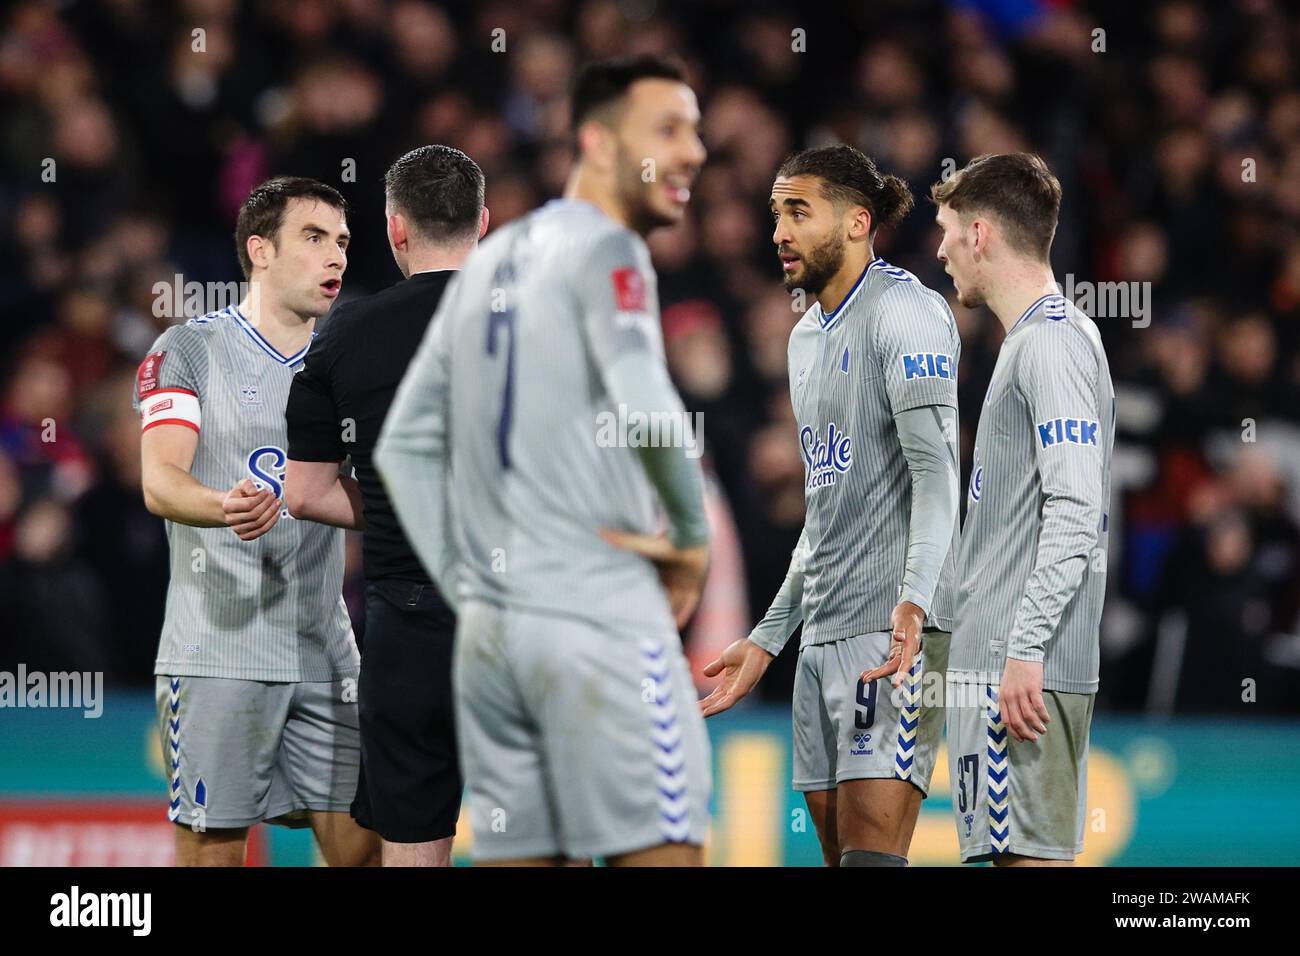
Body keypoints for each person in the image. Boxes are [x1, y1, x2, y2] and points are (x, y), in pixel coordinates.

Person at [375, 55, 712, 866]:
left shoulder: (492, 260)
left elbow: (402, 444)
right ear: (598, 143)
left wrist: (466, 579)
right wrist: (692, 542)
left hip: (494, 640)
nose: (695, 152)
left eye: (696, 130)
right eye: (667, 129)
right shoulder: (608, 249)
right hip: (596, 620)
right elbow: (646, 403)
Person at [699, 145, 961, 867]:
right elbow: (825, 513)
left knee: (871, 860)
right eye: (776, 213)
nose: (778, 231)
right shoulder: (805, 340)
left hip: (892, 637)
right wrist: (769, 637)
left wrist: (915, 603)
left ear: (856, 222)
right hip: (822, 644)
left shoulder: (908, 314)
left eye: (798, 212)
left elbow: (938, 479)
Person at [134, 176, 378, 867]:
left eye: (342, 242)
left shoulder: (352, 363)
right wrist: (224, 507)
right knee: (214, 856)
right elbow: (160, 480)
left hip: (325, 652)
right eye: (313, 237)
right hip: (217, 653)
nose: (335, 256)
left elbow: (370, 492)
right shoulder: (188, 350)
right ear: (260, 251)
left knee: (368, 853)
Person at [284, 145, 488, 867]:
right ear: (483, 224)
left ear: (396, 229)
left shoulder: (346, 333)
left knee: (409, 852)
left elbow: (305, 492)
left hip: (408, 632)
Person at [932, 153, 1114, 865]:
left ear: (981, 234)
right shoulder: (1037, 341)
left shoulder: (1050, 343)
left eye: (947, 229)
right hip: (1000, 669)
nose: (939, 247)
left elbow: (1077, 506)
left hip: (1021, 677)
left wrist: (1026, 645)